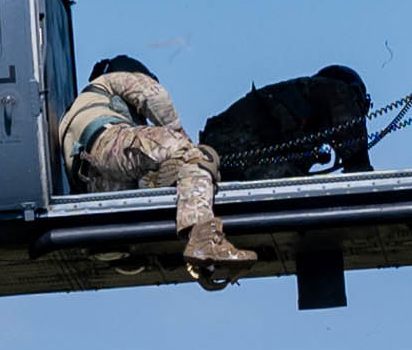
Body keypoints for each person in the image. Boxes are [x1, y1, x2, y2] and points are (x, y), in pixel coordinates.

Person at [60, 55, 252, 286]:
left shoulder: (78, 110)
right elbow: (154, 96)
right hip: (110, 143)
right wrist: (181, 138)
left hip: (93, 182)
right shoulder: (110, 80)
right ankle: (204, 239)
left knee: (161, 177)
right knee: (198, 155)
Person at [206, 63, 374, 182]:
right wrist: (363, 176)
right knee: (304, 192)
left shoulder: (305, 101)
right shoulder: (338, 90)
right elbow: (354, 145)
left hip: (220, 154)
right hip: (236, 146)